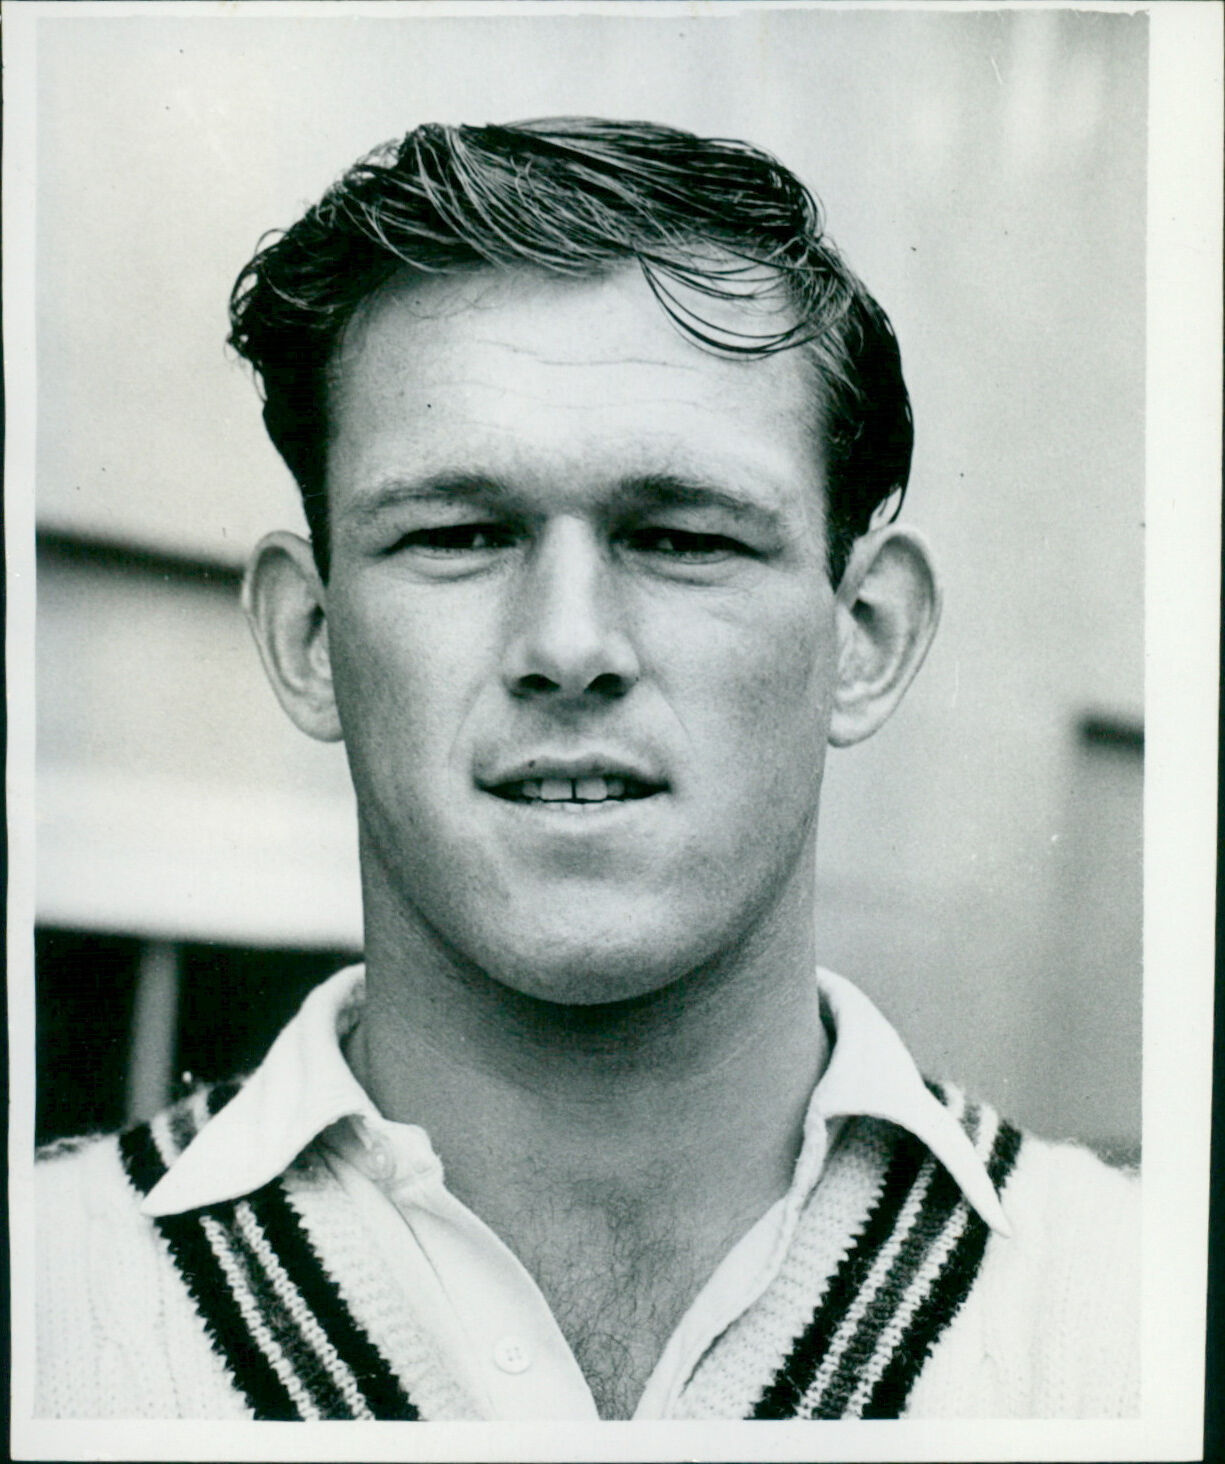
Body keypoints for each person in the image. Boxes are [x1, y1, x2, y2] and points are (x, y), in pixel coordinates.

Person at [35, 118, 1138, 1422]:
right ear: (310, 639)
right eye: (456, 533)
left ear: (866, 636)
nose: (567, 647)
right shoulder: (44, 1301)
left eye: (679, 538)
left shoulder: (1135, 1310)